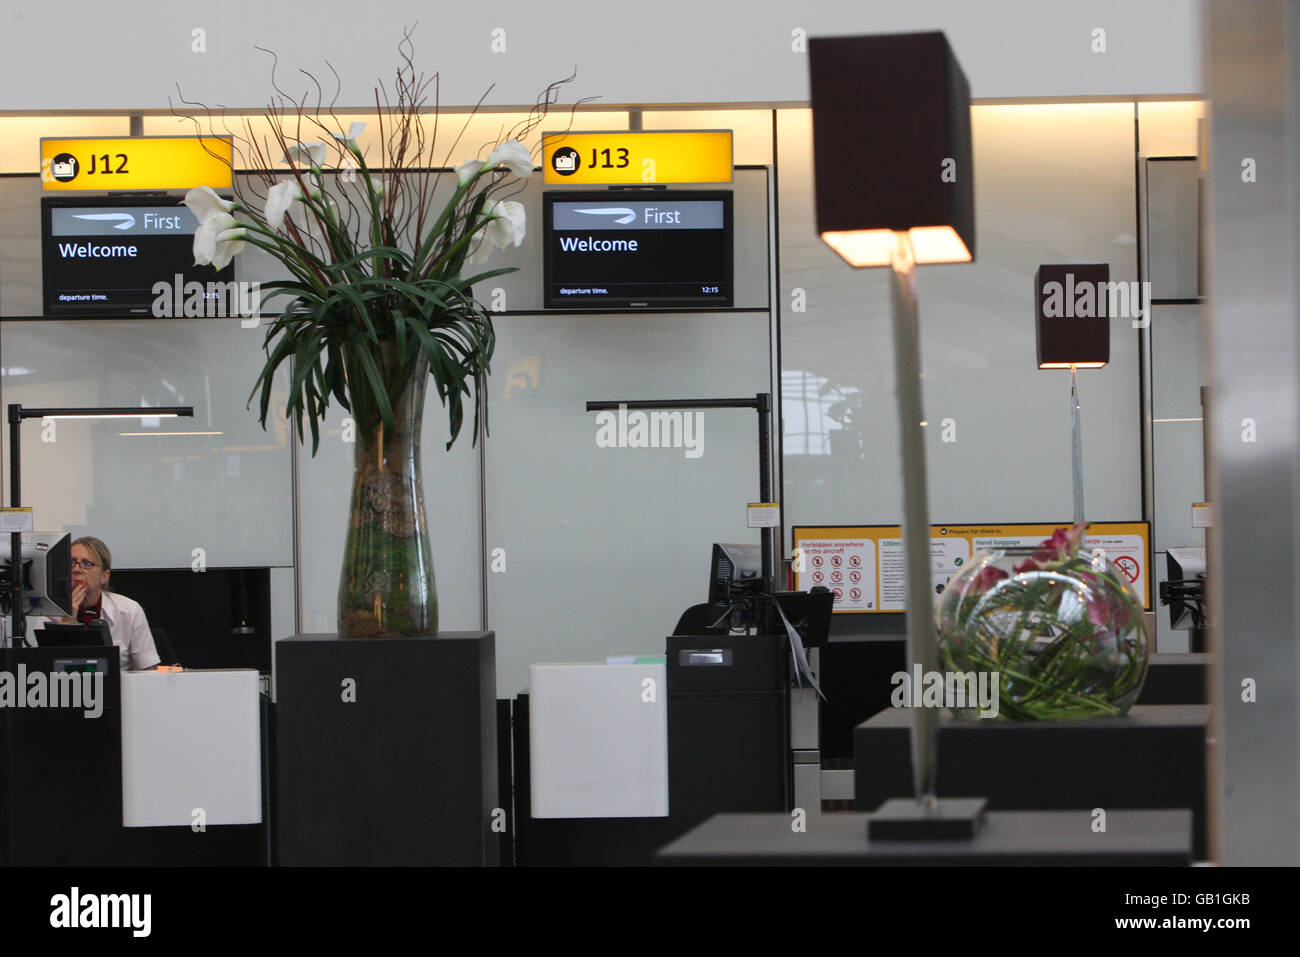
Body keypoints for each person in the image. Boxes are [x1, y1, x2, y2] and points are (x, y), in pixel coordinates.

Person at [30, 536, 159, 672]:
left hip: (118, 689)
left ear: (104, 576)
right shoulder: (49, 612)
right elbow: (46, 670)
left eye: (87, 564)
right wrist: (68, 619)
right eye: (71, 563)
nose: (76, 569)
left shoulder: (129, 611)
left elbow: (149, 670)